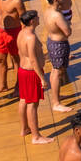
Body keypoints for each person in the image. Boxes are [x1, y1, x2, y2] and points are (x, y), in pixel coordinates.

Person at [15, 10, 52, 144]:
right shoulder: (30, 37)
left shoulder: (21, 33)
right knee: (32, 104)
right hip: (31, 72)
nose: (39, 18)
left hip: (22, 70)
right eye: (37, 17)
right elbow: (33, 60)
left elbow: (21, 53)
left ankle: (24, 128)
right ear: (32, 21)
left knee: (24, 99)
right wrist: (42, 78)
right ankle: (36, 136)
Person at [0, 0, 24, 94]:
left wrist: (23, 36)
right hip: (1, 31)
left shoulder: (17, 1)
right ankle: (3, 85)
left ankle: (18, 86)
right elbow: (0, 14)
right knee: (0, 59)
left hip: (14, 32)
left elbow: (23, 19)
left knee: (16, 60)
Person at [43, 0, 72, 113]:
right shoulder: (57, 15)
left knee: (56, 71)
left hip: (52, 41)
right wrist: (68, 23)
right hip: (59, 44)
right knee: (57, 72)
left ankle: (57, 97)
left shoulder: (48, 10)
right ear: (55, 0)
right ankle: (56, 103)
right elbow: (67, 32)